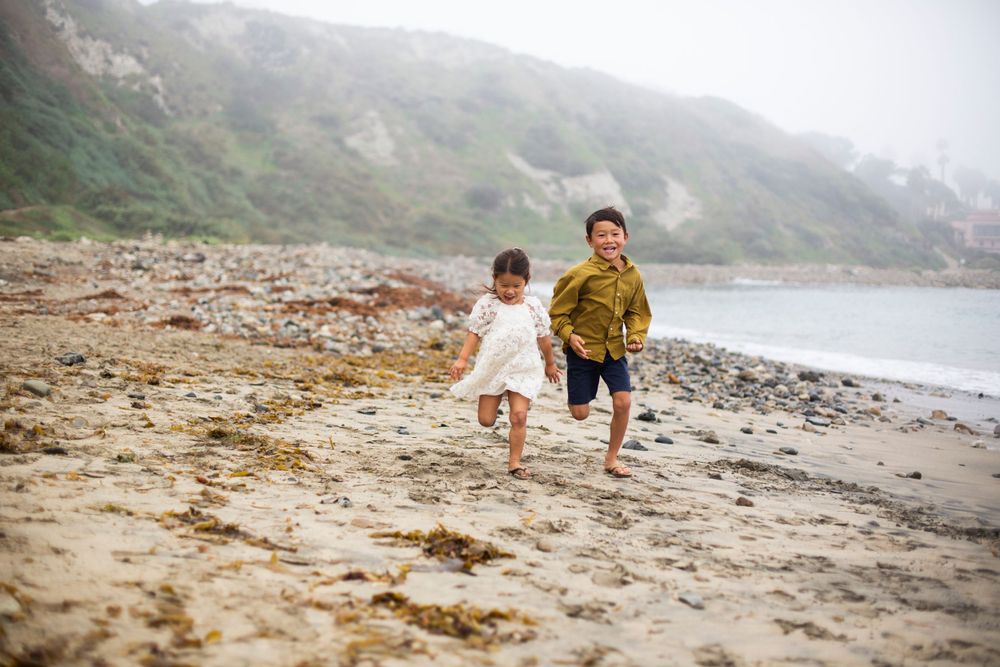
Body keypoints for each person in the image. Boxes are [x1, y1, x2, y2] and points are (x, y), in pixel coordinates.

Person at [549, 206, 652, 478]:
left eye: (615, 234)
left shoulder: (633, 275)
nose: (609, 240)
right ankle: (580, 400)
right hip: (583, 352)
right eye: (601, 235)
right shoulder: (578, 275)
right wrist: (570, 336)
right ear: (589, 241)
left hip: (615, 349)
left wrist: (636, 337)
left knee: (623, 402)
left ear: (626, 237)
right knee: (580, 413)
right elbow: (557, 313)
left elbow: (637, 311)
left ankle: (612, 458)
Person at [449, 248, 562, 480]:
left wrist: (550, 365)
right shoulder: (488, 305)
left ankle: (514, 462)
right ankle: (497, 395)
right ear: (495, 280)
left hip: (524, 367)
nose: (509, 291)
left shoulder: (532, 307)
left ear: (526, 281)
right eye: (504, 285)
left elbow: (544, 339)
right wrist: (462, 360)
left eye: (516, 286)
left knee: (518, 416)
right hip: (494, 367)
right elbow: (474, 333)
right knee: (486, 420)